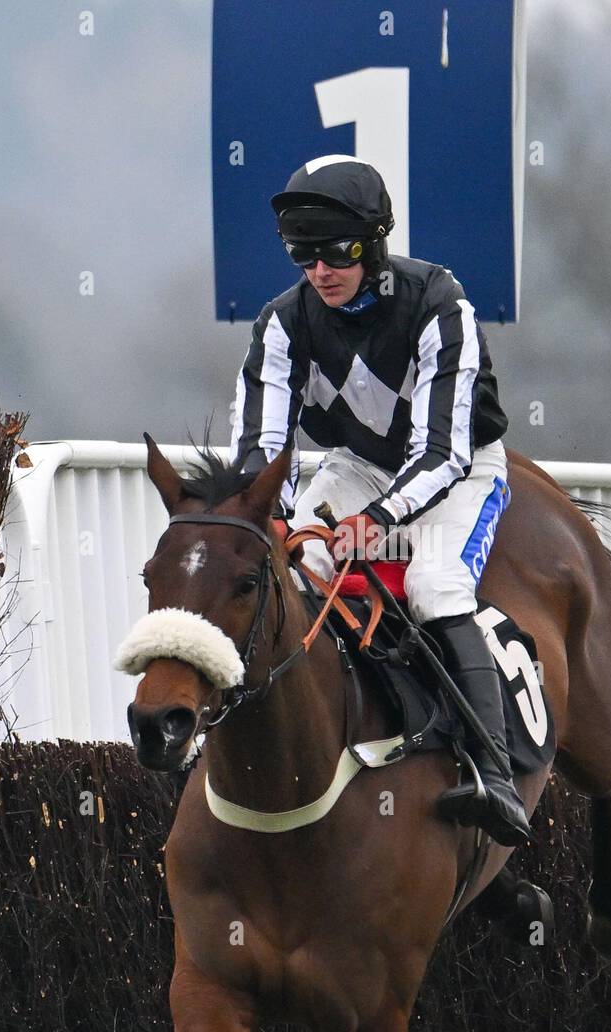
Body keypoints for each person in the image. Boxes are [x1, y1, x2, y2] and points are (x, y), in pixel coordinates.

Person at [227, 154, 532, 847]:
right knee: (289, 570)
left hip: (461, 467)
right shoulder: (281, 323)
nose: (318, 271)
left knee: (433, 582)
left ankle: (495, 774)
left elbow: (444, 452)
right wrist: (270, 521)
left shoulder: (438, 302)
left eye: (335, 252)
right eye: (302, 253)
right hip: (358, 465)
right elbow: (261, 448)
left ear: (373, 242)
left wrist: (378, 522)